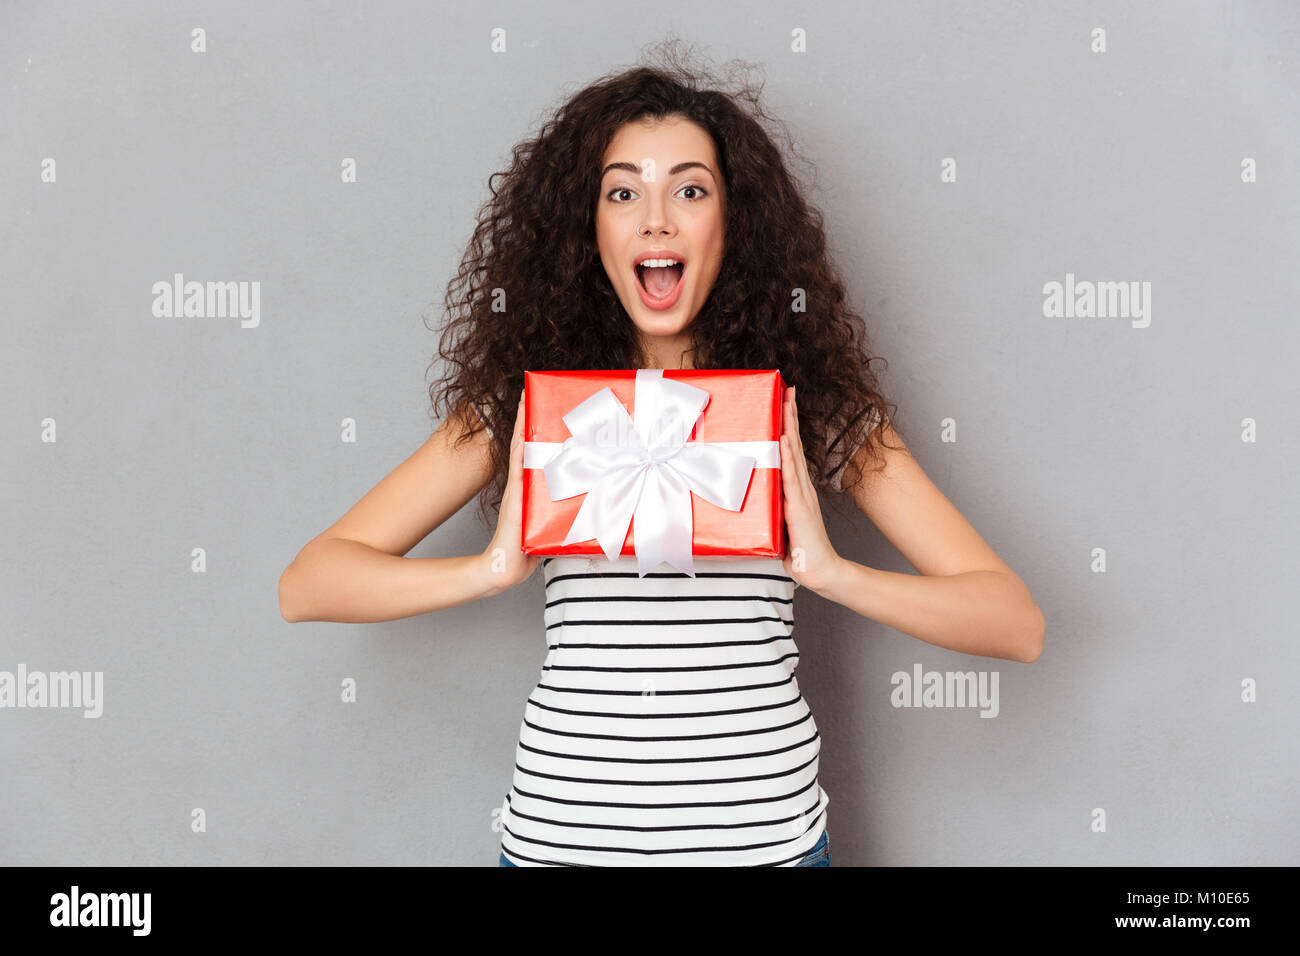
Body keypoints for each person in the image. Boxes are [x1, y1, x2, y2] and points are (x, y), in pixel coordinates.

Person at [278, 40, 1044, 867]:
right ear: (588, 227)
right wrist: (489, 569)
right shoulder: (530, 407)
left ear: (733, 220)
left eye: (689, 189)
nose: (656, 219)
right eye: (622, 192)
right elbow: (309, 583)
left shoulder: (802, 406)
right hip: (563, 847)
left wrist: (831, 570)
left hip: (765, 850)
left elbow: (1015, 622)